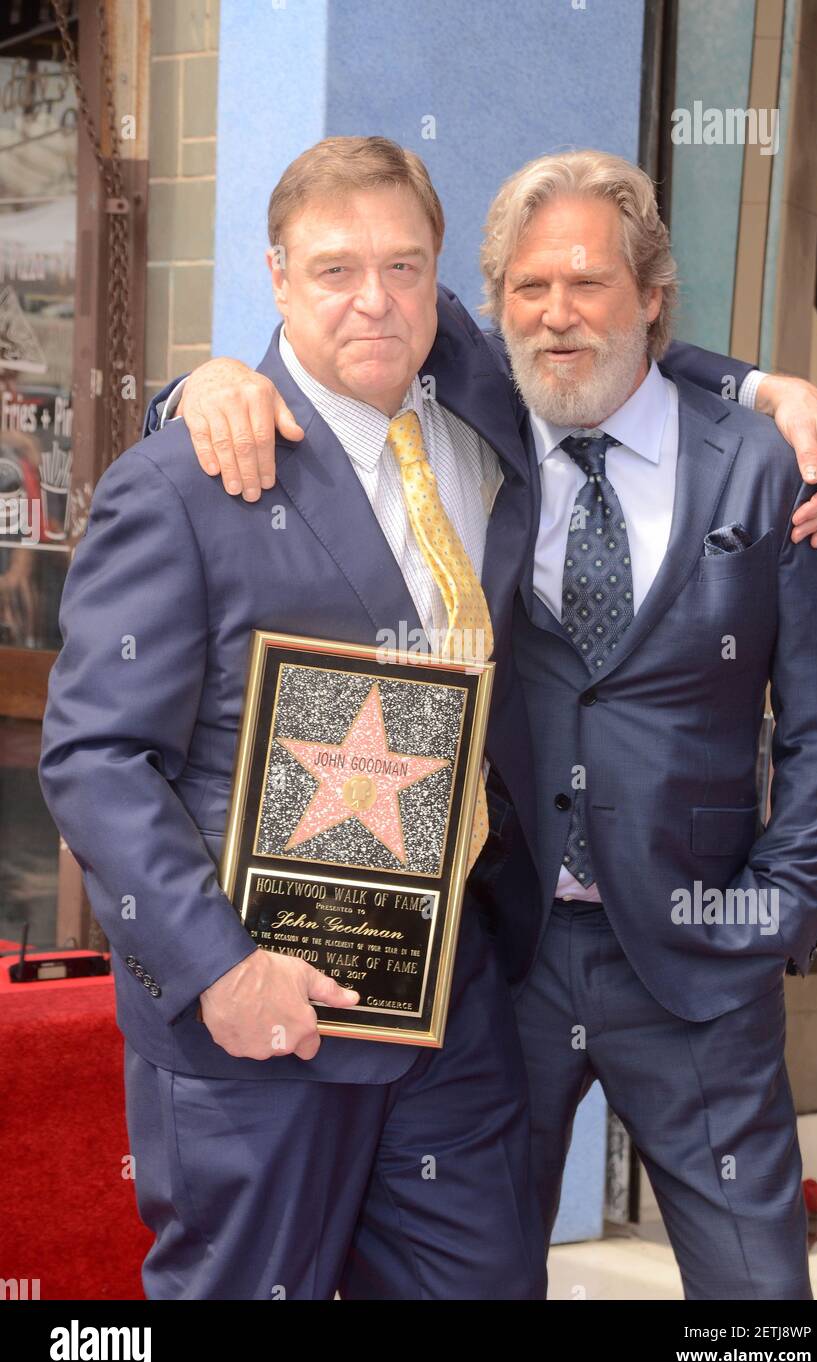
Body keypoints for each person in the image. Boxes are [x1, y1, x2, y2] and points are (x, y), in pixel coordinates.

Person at [161, 142, 817, 1300]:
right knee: (475, 1272)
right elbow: (329, 335)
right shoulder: (475, 436)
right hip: (502, 963)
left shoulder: (763, 468)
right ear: (490, 311)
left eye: (589, 284)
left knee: (760, 1300)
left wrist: (780, 912)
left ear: (649, 297)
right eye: (527, 290)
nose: (557, 314)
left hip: (699, 965)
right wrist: (196, 383)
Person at [39, 137, 550, 1301]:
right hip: (264, 1021)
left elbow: (612, 345)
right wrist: (218, 968)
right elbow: (95, 758)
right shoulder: (181, 484)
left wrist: (762, 389)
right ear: (275, 277)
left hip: (450, 1008)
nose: (375, 298)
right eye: (334, 270)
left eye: (405, 266)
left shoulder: (476, 418)